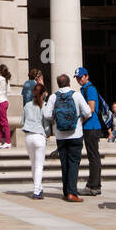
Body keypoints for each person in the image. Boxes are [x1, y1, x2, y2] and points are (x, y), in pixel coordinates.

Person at [44, 74, 91, 202]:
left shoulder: (53, 96)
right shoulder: (76, 95)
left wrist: (57, 116)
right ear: (69, 83)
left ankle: (66, 192)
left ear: (58, 84)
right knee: (74, 163)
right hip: (76, 134)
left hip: (60, 135)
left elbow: (47, 114)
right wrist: (79, 118)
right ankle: (72, 193)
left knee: (64, 164)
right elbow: (88, 112)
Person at [75, 67, 103, 196]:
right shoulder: (84, 89)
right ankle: (93, 185)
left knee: (94, 157)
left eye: (80, 77)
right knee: (93, 156)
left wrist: (80, 122)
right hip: (88, 127)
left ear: (86, 76)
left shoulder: (90, 89)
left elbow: (91, 109)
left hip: (91, 127)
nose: (79, 80)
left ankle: (94, 186)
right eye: (77, 77)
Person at [22, 82, 48, 199]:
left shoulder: (27, 105)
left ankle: (39, 187)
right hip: (39, 135)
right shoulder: (44, 106)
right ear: (43, 94)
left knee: (33, 164)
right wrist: (46, 134)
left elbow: (22, 122)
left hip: (29, 136)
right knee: (39, 165)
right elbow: (46, 125)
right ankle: (37, 190)